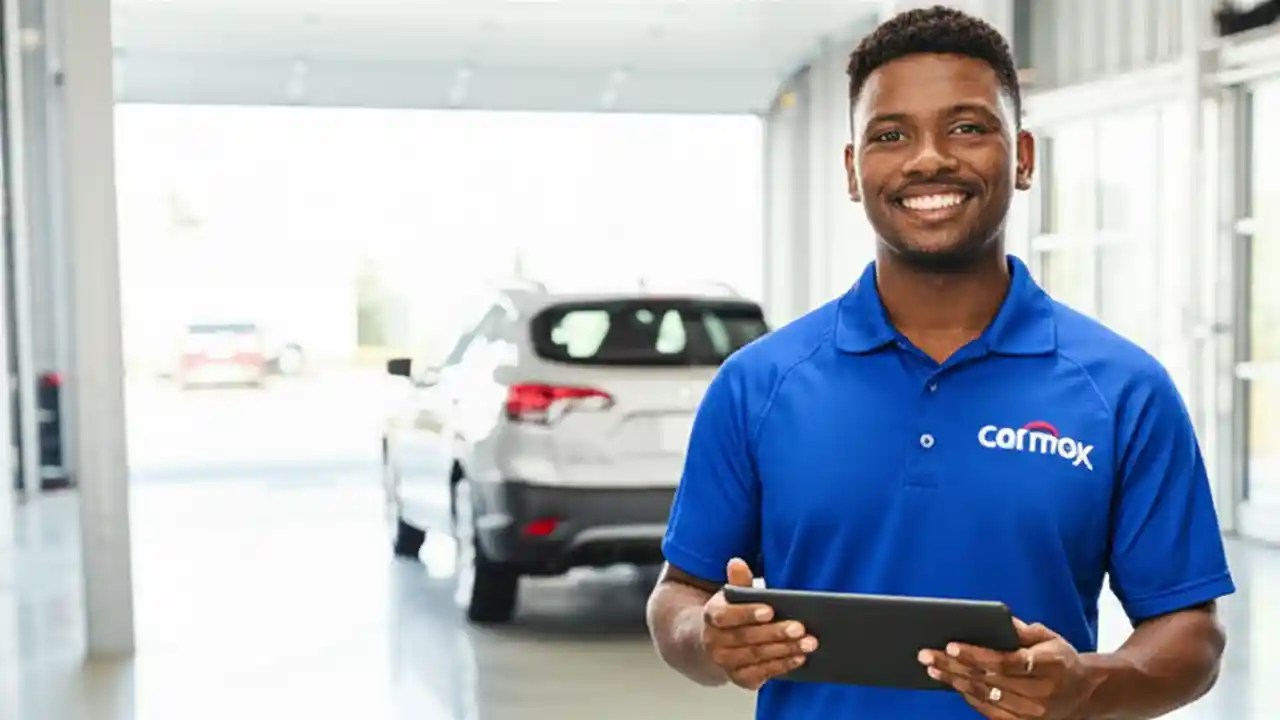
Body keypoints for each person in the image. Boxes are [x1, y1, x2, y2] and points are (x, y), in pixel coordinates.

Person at [645, 6, 1235, 720]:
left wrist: (1089, 685)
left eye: (966, 127)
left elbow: (1190, 633)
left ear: (1021, 157)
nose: (929, 158)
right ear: (853, 171)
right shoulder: (759, 384)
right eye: (890, 136)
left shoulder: (1123, 389)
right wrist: (705, 639)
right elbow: (679, 594)